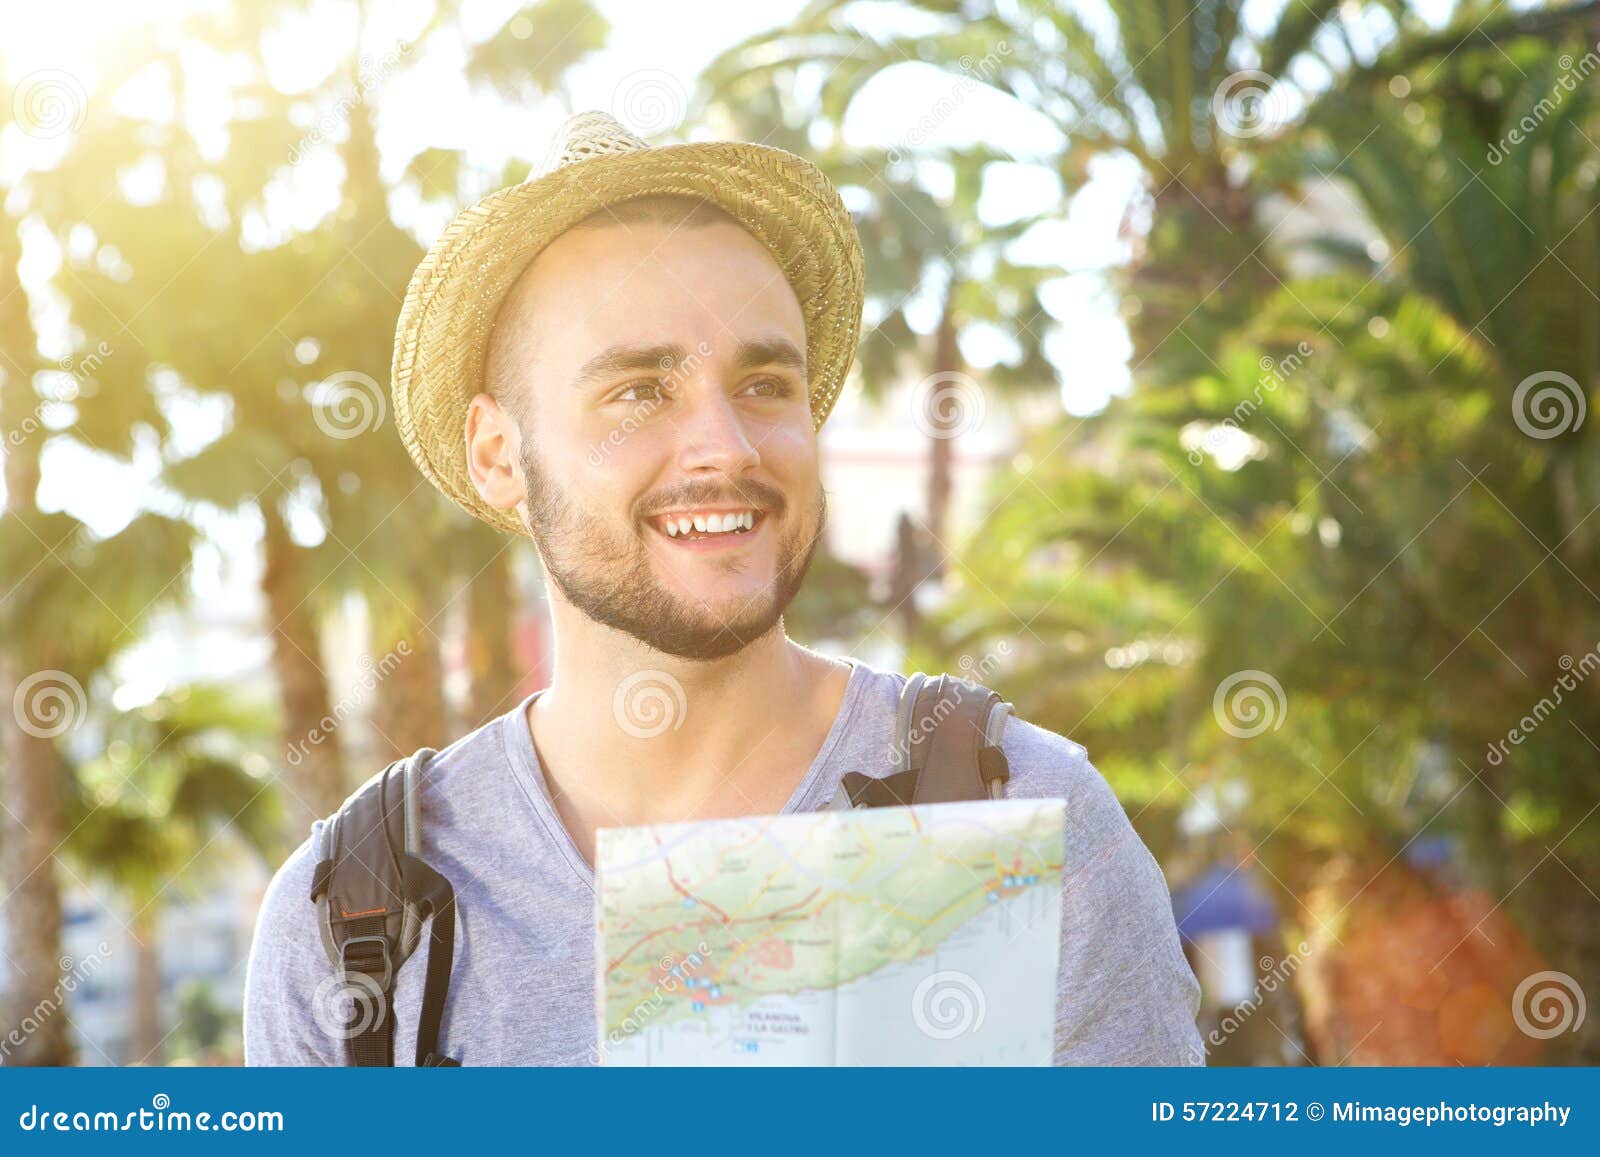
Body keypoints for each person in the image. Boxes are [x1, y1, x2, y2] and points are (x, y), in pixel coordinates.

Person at [243, 111, 1202, 1066]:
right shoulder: (347, 918)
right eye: (639, 391)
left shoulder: (1025, 821)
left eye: (765, 385)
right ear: (500, 455)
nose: (728, 448)